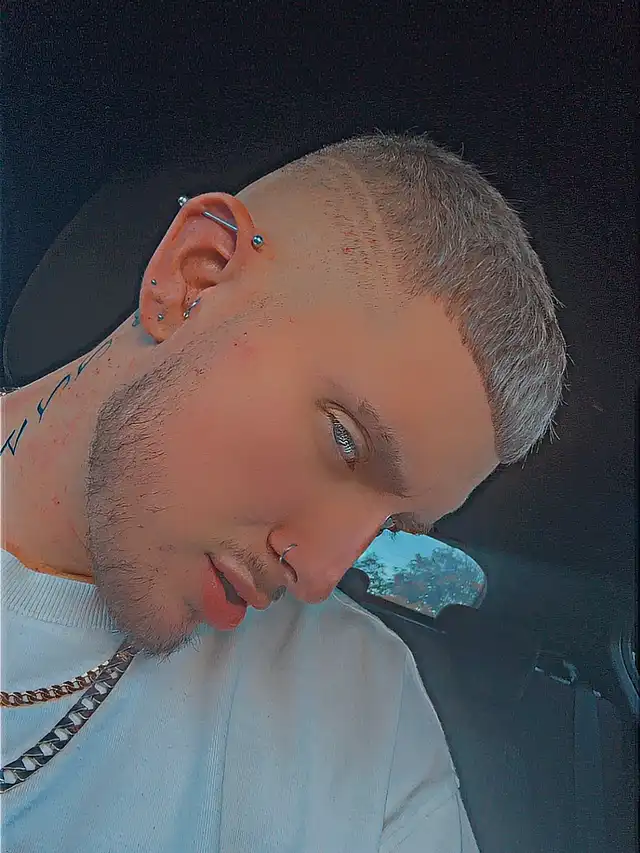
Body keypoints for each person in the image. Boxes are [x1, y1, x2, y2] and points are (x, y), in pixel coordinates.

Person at [0, 132, 566, 852]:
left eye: (392, 528)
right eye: (344, 441)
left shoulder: (365, 712)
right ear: (194, 278)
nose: (320, 575)